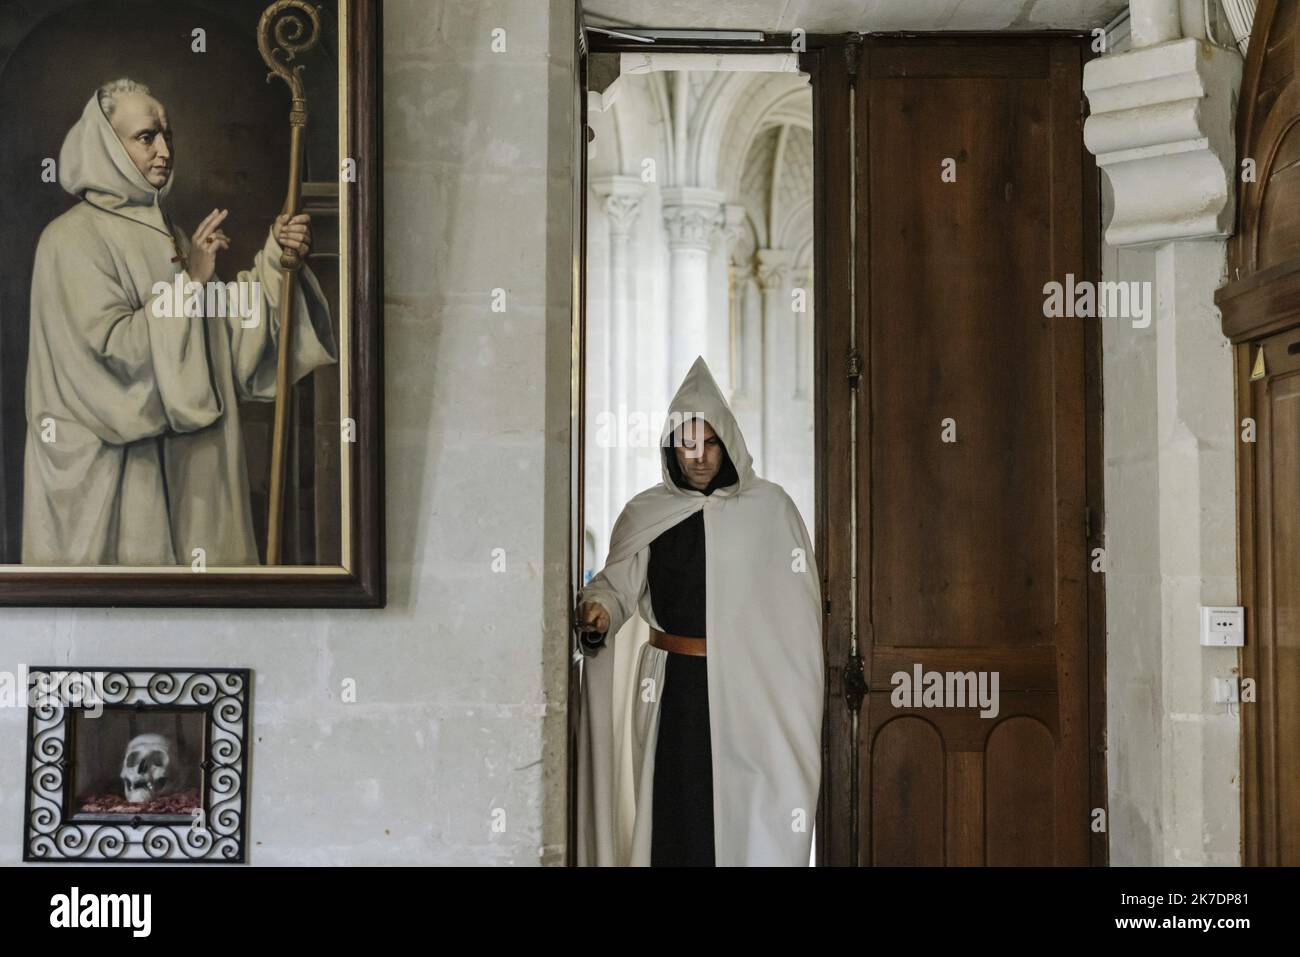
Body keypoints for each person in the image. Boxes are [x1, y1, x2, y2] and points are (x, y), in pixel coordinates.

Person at [22, 78, 336, 565]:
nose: (165, 150)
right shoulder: (69, 240)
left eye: (167, 136)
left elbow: (218, 347)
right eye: (146, 137)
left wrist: (276, 259)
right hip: (119, 478)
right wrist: (189, 285)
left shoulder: (172, 234)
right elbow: (112, 356)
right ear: (107, 144)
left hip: (186, 476)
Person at [575, 355, 824, 866]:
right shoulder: (647, 513)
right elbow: (619, 584)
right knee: (675, 809)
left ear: (726, 441)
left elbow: (795, 613)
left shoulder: (770, 510)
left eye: (708, 442)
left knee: (740, 817)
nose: (698, 457)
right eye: (686, 444)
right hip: (670, 689)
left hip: (747, 691)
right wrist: (600, 609)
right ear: (671, 448)